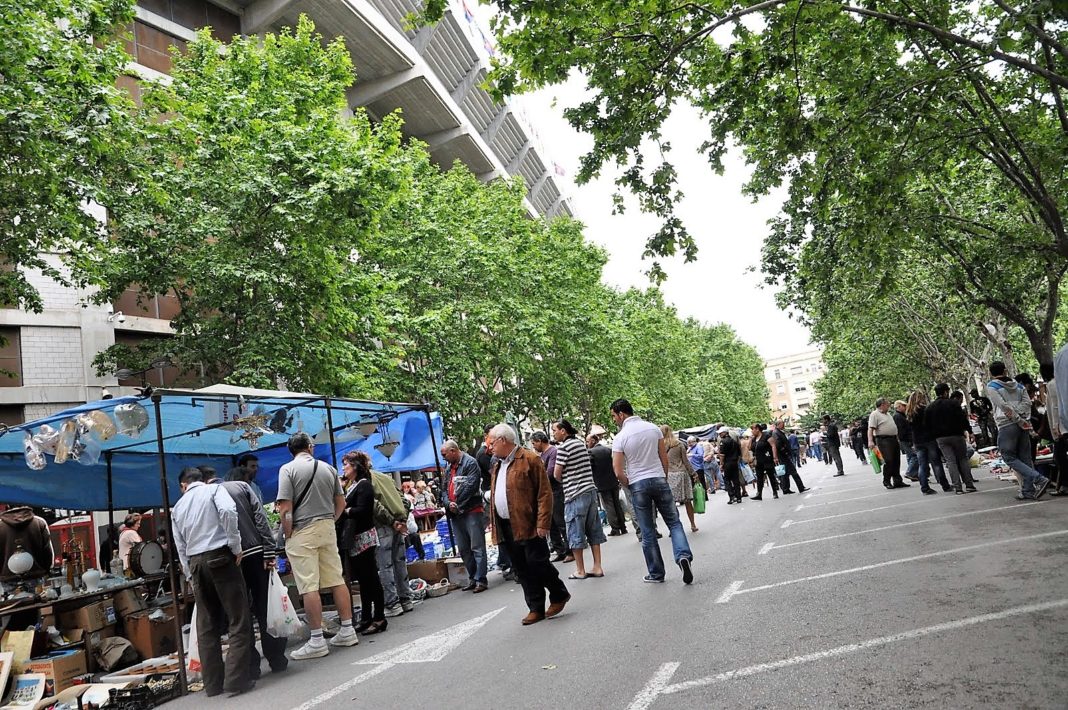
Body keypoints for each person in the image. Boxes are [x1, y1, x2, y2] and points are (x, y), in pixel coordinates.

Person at [275, 432, 359, 659]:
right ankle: (348, 630)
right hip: (327, 527)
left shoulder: (287, 470)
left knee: (308, 586)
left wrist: (288, 533)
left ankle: (316, 640)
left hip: (302, 531)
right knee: (336, 579)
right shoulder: (328, 468)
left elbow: (285, 509)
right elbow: (340, 502)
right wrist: (330, 520)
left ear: (291, 450)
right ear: (310, 447)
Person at [171, 468, 253, 697]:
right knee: (238, 618)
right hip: (220, 555)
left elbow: (179, 545)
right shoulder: (214, 490)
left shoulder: (178, 507)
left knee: (207, 625)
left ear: (183, 485)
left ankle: (213, 684)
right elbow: (227, 510)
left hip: (196, 563)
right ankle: (235, 680)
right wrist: (235, 546)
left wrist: (189, 572)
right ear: (202, 480)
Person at [204, 468, 287, 675]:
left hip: (230, 558)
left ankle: (251, 666)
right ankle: (277, 658)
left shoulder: (205, 496)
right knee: (265, 607)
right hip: (256, 553)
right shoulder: (241, 487)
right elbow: (261, 519)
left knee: (240, 613)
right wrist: (269, 551)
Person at [488, 424, 570, 625]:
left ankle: (559, 593)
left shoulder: (530, 459)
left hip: (529, 523)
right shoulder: (497, 465)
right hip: (506, 524)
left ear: (503, 440)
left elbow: (544, 493)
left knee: (538, 562)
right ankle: (535, 607)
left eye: (492, 442)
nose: (489, 447)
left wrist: (543, 523)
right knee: (522, 568)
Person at [610, 399, 693, 584]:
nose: (614, 420)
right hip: (658, 478)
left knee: (647, 530)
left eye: (614, 416)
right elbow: (664, 459)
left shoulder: (620, 437)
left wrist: (629, 484)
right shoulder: (653, 429)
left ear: (621, 414)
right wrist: (662, 477)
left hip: (638, 484)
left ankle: (656, 573)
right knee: (674, 523)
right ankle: (683, 556)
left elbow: (617, 470)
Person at [338, 451, 387, 635]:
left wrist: (346, 511)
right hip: (356, 538)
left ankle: (379, 617)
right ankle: (366, 616)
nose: (343, 468)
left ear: (355, 466)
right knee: (363, 580)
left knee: (371, 577)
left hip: (364, 536)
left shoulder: (364, 485)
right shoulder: (353, 485)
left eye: (346, 464)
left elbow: (364, 510)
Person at [987, 362, 1051, 500]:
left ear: (991, 373)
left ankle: (1039, 479)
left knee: (1008, 457)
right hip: (1023, 424)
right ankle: (1028, 490)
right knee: (1025, 458)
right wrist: (1021, 418)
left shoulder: (992, 386)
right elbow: (1027, 403)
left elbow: (1003, 406)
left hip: (1006, 424)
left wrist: (1016, 417)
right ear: (1005, 371)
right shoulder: (1019, 386)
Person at [553, 419, 606, 578]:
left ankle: (580, 570)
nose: (553, 434)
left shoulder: (563, 448)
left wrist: (567, 479)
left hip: (574, 494)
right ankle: (597, 567)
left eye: (555, 430)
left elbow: (556, 474)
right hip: (590, 491)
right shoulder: (581, 444)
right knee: (593, 530)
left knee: (575, 532)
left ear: (563, 431)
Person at [441, 439, 488, 593]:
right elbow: (444, 490)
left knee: (477, 546)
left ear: (453, 451)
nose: (443, 457)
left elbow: (471, 486)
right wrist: (449, 504)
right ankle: (473, 577)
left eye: (444, 454)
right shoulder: (448, 468)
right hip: (456, 513)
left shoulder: (470, 463)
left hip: (471, 510)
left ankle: (481, 579)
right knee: (463, 548)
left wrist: (457, 504)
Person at [371, 467, 414, 617]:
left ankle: (392, 603)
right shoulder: (385, 478)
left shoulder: (365, 481)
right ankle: (405, 599)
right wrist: (402, 520)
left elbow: (375, 506)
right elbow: (404, 500)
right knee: (399, 562)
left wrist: (392, 521)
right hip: (396, 523)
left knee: (386, 566)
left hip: (383, 526)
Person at [925, 383, 977, 495]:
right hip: (956, 435)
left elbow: (927, 425)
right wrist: (970, 432)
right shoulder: (953, 403)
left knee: (951, 461)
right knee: (962, 459)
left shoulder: (930, 407)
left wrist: (934, 436)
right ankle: (969, 484)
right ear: (945, 392)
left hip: (941, 438)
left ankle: (958, 487)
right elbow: (963, 419)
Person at [531, 431, 569, 562]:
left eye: (534, 443)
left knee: (560, 521)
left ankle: (570, 550)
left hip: (556, 491)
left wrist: (537, 480)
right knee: (551, 523)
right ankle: (560, 550)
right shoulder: (542, 455)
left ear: (540, 441)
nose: (533, 446)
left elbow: (550, 472)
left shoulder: (553, 452)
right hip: (547, 493)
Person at [906, 389, 949, 494]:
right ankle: (945, 485)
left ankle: (924, 487)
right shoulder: (925, 410)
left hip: (917, 440)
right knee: (936, 463)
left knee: (922, 465)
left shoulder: (910, 412)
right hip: (929, 439)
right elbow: (932, 424)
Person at [0, 506, 53, 583]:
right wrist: (47, 571)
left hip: (8, 578)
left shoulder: (1, 526)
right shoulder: (39, 522)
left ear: (8, 506)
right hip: (36, 575)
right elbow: (47, 551)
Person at [588, 433, 627, 536]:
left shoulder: (591, 452)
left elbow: (591, 468)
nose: (587, 444)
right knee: (616, 503)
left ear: (593, 441)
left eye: (588, 441)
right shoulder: (608, 450)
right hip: (613, 480)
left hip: (601, 483)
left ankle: (615, 528)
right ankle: (623, 526)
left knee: (608, 505)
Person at [662, 426, 698, 532]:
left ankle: (674, 527)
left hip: (669, 475)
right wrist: (693, 473)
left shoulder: (660, 447)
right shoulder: (679, 444)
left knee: (671, 504)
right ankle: (693, 524)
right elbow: (686, 461)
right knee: (687, 501)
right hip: (682, 474)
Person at [868, 399, 908, 490]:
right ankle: (886, 480)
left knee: (896, 460)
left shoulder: (888, 414)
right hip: (883, 439)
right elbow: (870, 429)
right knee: (889, 460)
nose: (889, 406)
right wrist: (870, 441)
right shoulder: (875, 414)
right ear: (882, 405)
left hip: (893, 438)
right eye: (887, 404)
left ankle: (897, 480)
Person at [772, 420, 810, 493]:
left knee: (785, 473)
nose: (784, 425)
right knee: (793, 471)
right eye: (782, 424)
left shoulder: (778, 432)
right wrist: (785, 451)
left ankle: (785, 489)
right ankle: (800, 487)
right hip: (783, 455)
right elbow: (778, 444)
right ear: (779, 424)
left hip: (783, 455)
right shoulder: (776, 432)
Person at [749, 423, 781, 500]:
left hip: (767, 459)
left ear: (757, 429)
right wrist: (750, 439)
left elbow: (773, 446)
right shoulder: (754, 439)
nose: (752, 431)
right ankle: (759, 494)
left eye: (753, 429)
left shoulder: (766, 436)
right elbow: (749, 448)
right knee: (759, 477)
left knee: (771, 476)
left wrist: (775, 457)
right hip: (758, 461)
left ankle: (775, 492)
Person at [893, 400, 919, 482]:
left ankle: (914, 474)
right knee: (914, 456)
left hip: (905, 439)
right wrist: (909, 439)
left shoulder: (901, 415)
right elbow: (902, 430)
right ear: (899, 406)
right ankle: (910, 472)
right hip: (905, 439)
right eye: (903, 406)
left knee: (910, 456)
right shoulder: (898, 416)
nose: (905, 407)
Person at [718, 428, 743, 504]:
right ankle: (738, 497)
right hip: (735, 462)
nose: (719, 434)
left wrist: (721, 464)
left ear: (725, 433)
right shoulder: (734, 442)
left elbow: (722, 455)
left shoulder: (723, 442)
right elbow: (739, 453)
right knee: (736, 480)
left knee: (727, 480)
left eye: (721, 433)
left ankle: (732, 496)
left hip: (727, 463)